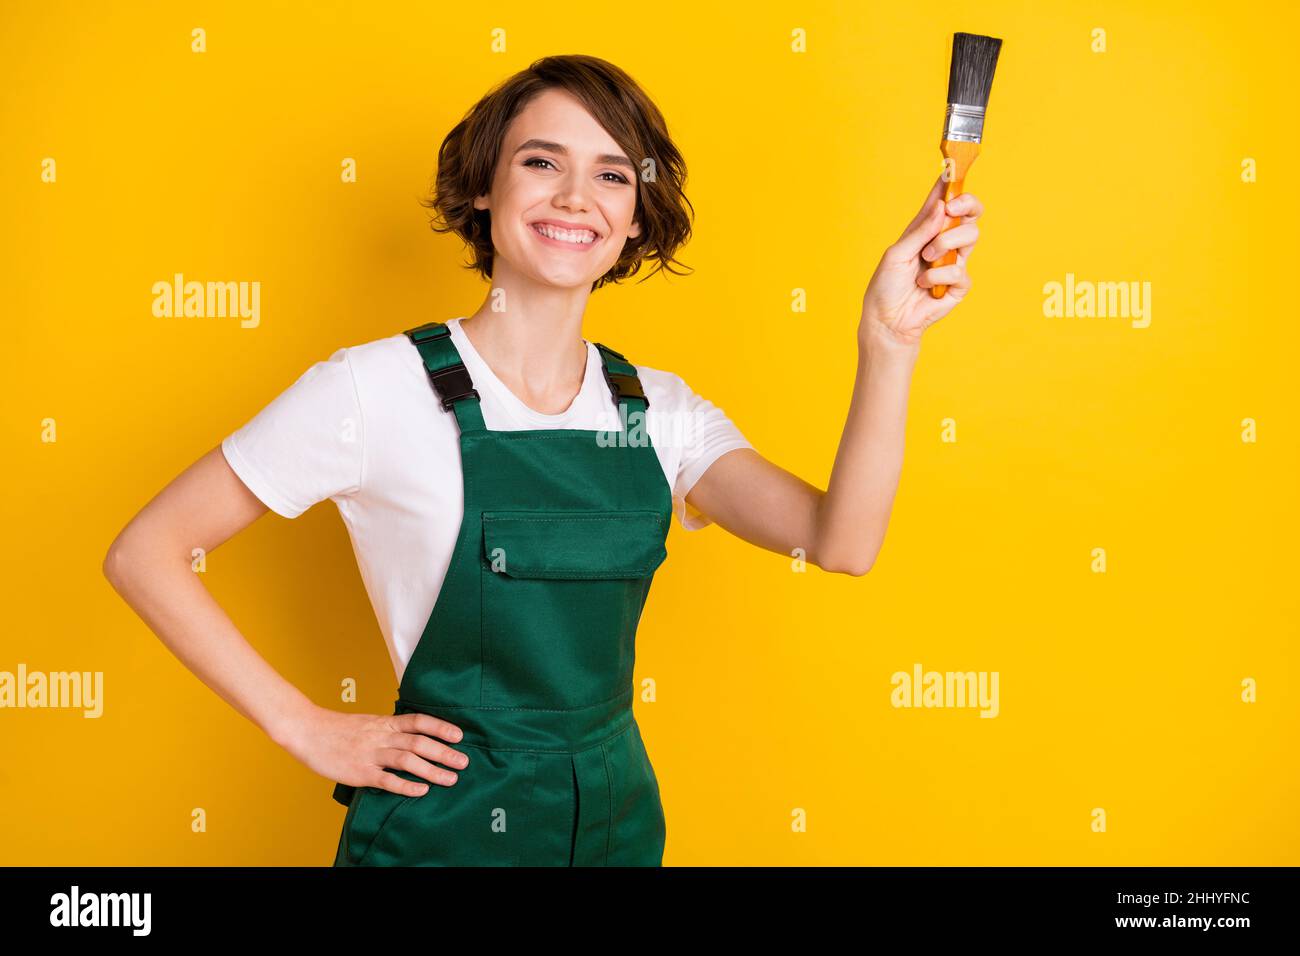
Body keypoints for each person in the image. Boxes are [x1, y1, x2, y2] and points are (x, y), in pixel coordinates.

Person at [103, 54, 983, 866]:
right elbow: (146, 552)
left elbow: (842, 542)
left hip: (614, 823)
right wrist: (304, 725)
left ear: (636, 218)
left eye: (611, 175)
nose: (575, 196)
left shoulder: (658, 412)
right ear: (484, 188)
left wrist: (889, 340)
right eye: (540, 162)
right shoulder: (374, 389)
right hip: (441, 831)